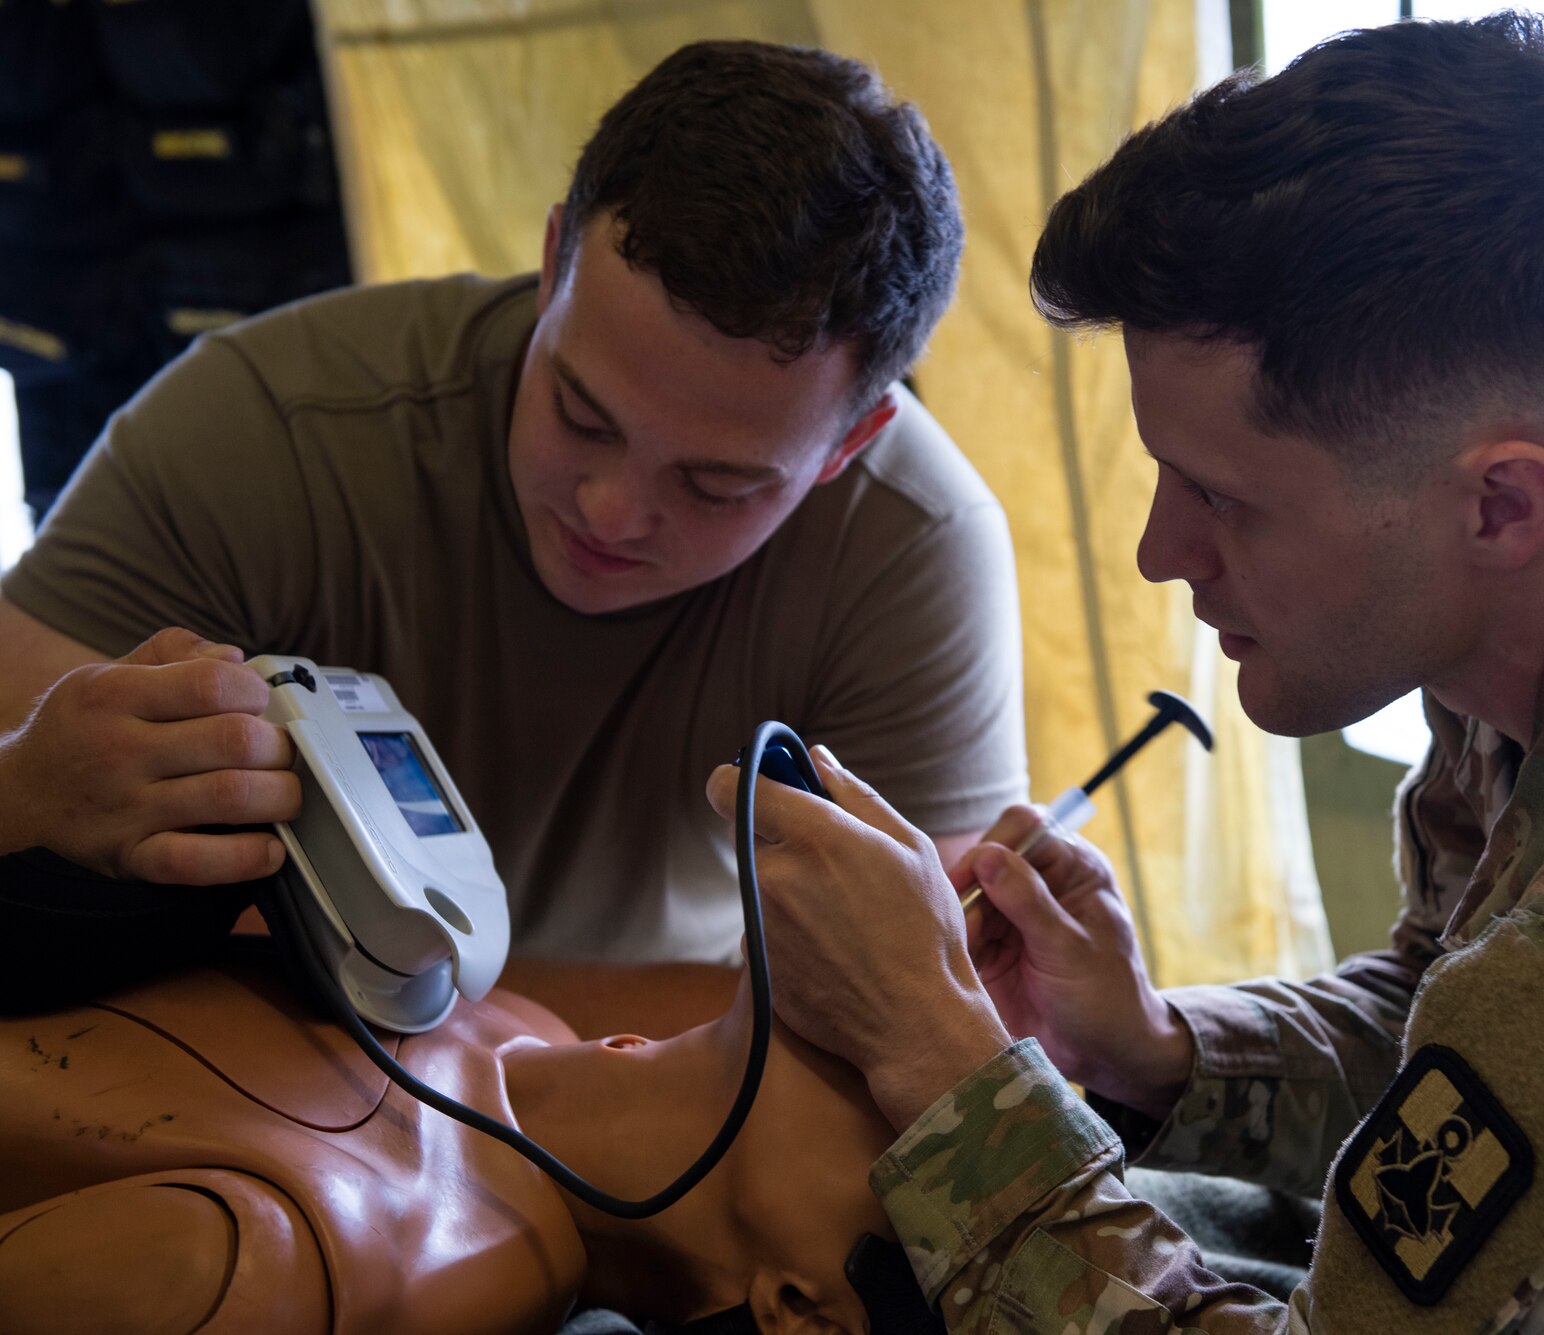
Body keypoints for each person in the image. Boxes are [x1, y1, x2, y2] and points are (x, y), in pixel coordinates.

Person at [704, 12, 1544, 1333]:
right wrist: (1156, 1044)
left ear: (1502, 502)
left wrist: (936, 1055)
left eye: (1221, 495)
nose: (1161, 549)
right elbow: (1473, 1020)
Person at [0, 41, 1027, 1027]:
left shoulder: (913, 549)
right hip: (262, 1077)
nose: (610, 512)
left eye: (716, 482)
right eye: (580, 413)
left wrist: (431, 1013)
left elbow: (907, 1009)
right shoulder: (264, 424)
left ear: (851, 443)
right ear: (551, 262)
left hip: (633, 1094)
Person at [0, 946, 920, 1335]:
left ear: (802, 1311)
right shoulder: (519, 1020)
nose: (943, 1078)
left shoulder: (318, 1261)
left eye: (931, 1134)